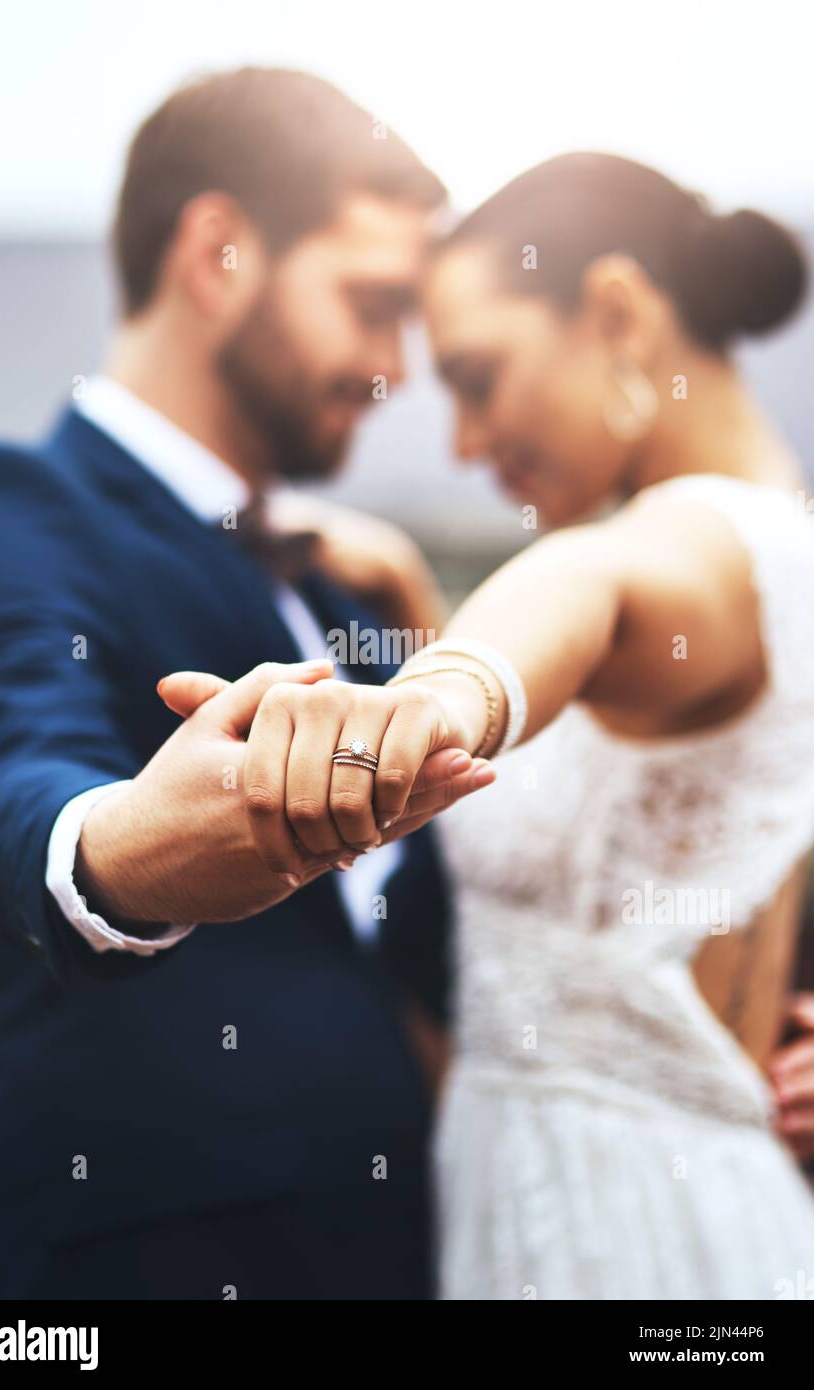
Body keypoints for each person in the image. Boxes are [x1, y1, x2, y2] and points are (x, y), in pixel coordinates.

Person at [204, 153, 814, 1298]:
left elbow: (590, 588)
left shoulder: (701, 540)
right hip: (544, 1205)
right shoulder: (764, 546)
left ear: (619, 312)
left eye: (479, 379)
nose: (466, 444)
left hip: (640, 1235)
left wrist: (432, 698)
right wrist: (410, 607)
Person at [0, 68, 493, 1300]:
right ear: (219, 254)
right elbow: (17, 769)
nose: (395, 365)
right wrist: (122, 849)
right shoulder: (11, 506)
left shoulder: (353, 597)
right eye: (371, 304)